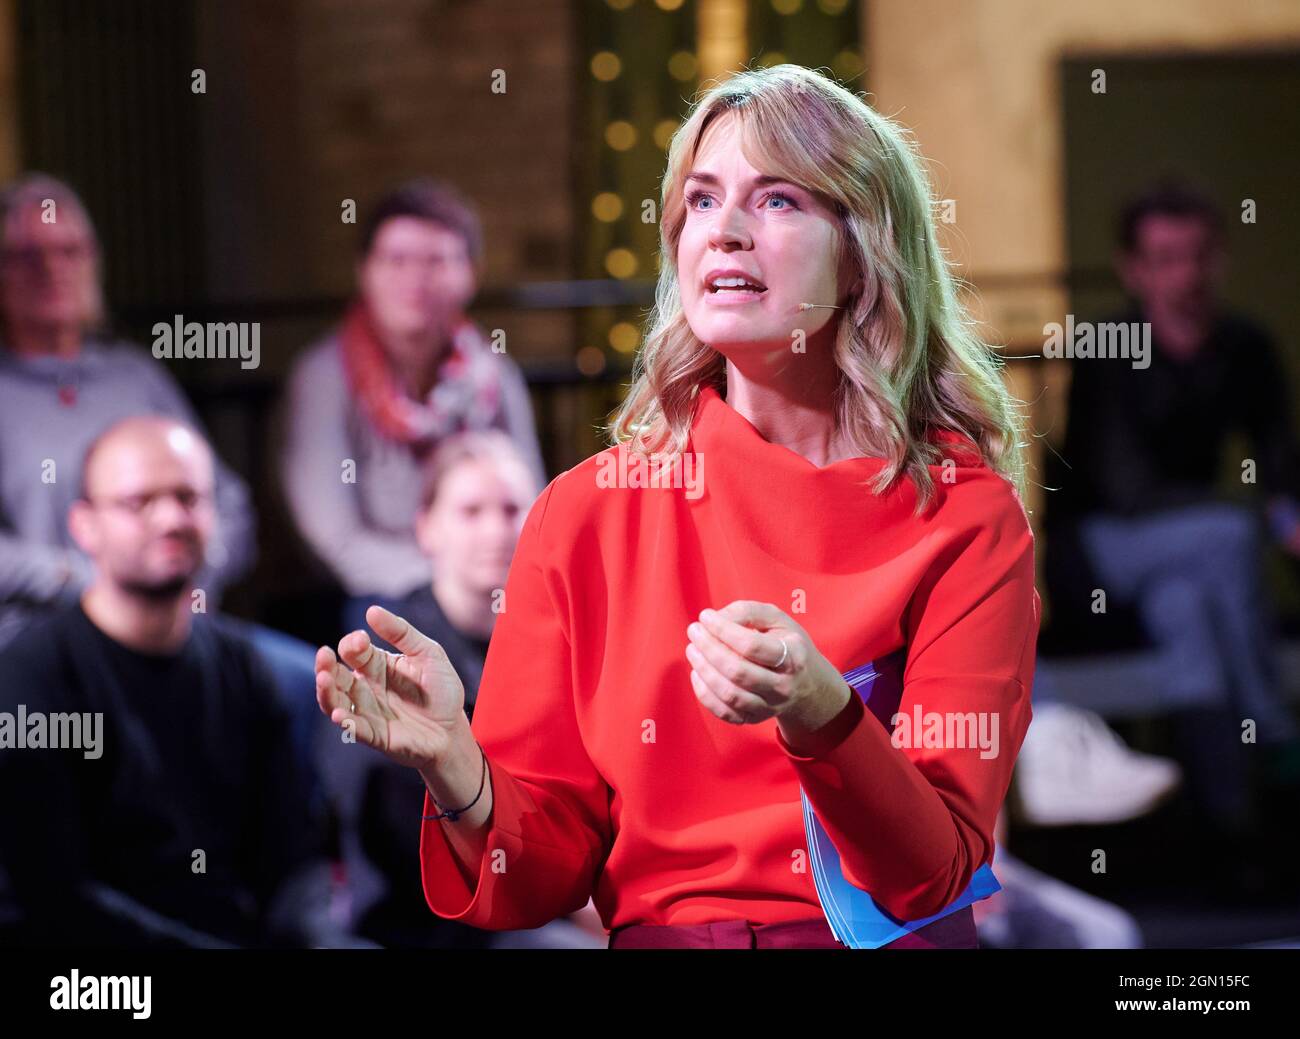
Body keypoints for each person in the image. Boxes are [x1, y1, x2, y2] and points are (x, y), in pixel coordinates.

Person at [315, 65, 1040, 950]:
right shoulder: (584, 513)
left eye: (776, 200)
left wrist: (824, 715)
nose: (725, 232)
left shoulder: (964, 514)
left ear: (863, 254)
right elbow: (538, 874)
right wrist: (458, 766)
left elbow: (933, 871)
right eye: (701, 201)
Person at [0, 416, 340, 948]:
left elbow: (291, 860)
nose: (170, 519)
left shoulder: (243, 667)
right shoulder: (32, 677)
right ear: (83, 525)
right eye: (139, 502)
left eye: (188, 497)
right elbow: (53, 895)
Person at [1050, 181, 1300, 837]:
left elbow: (1278, 463)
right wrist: (1252, 517)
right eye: (1166, 259)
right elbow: (1124, 491)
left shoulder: (1245, 344)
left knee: (1186, 608)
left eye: (1197, 255)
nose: (1185, 275)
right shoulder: (1107, 347)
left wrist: (1289, 521)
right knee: (1227, 533)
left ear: (1219, 258)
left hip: (1189, 554)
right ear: (1135, 269)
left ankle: (1232, 830)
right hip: (1101, 548)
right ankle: (1274, 725)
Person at [329, 430, 600, 947]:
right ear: (426, 528)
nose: (496, 530)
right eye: (471, 511)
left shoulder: (566, 636)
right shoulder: (388, 652)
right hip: (426, 915)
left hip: (546, 886)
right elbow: (395, 834)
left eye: (511, 508)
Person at [0, 173, 255, 649]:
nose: (51, 269)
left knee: (299, 682)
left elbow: (228, 502)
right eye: (26, 256)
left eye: (69, 251)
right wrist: (94, 580)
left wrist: (190, 568)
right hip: (38, 644)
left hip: (172, 635)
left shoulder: (136, 376)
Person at [280, 178, 546, 603]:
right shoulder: (324, 377)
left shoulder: (495, 373)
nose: (415, 279)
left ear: (471, 274)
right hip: (375, 594)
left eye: (437, 261)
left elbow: (531, 504)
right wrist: (445, 588)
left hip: (488, 589)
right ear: (363, 271)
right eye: (396, 260)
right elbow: (335, 537)